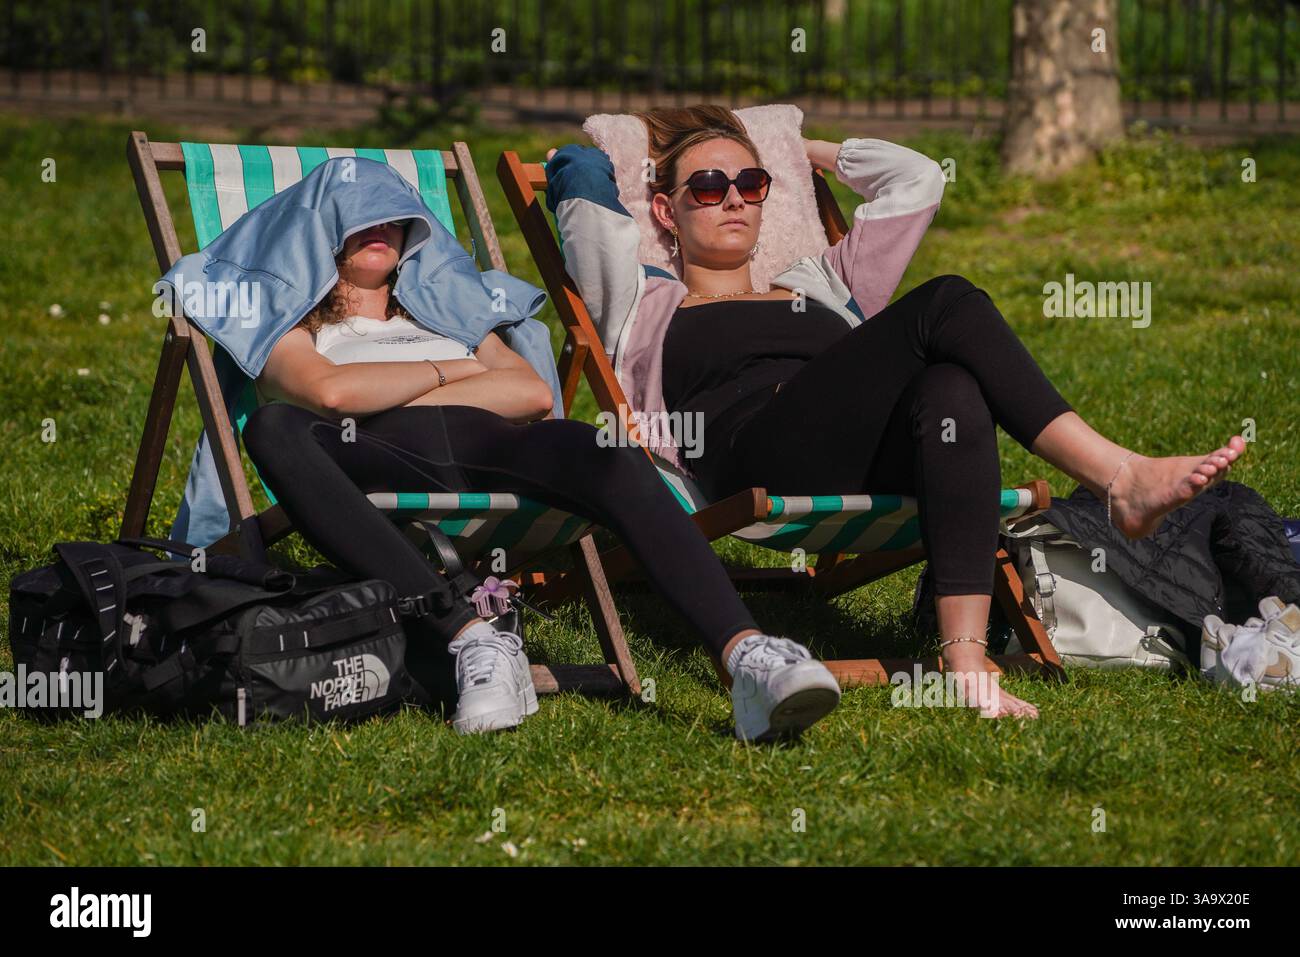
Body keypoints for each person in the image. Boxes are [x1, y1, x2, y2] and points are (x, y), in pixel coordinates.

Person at [544, 105, 1247, 719]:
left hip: (842, 444)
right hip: (749, 451)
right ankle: (1116, 477)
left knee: (950, 388)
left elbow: (917, 179)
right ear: (666, 211)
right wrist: (601, 156)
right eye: (706, 186)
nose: (733, 199)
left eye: (751, 184)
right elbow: (577, 181)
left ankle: (965, 661)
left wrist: (796, 153)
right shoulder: (646, 298)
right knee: (945, 300)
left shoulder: (820, 281)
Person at [240, 216, 842, 741]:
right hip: (372, 455)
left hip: (493, 447)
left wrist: (389, 388)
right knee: (274, 428)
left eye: (391, 220)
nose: (377, 229)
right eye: (354, 223)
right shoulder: (295, 326)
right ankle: (472, 635)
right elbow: (330, 392)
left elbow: (528, 391)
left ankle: (749, 658)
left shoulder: (451, 314)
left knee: (602, 446)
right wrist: (453, 370)